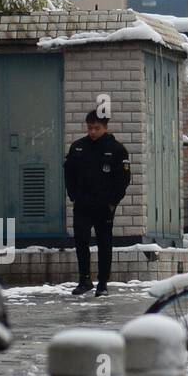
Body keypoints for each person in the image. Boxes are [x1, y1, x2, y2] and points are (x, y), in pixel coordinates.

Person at [64, 110, 131, 296]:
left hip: (104, 206)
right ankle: (84, 279)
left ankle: (102, 283)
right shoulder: (78, 147)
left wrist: (113, 202)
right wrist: (73, 195)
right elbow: (68, 172)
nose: (92, 132)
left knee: (104, 243)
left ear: (105, 127)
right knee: (81, 240)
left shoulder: (116, 149)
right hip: (83, 204)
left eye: (97, 128)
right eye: (90, 128)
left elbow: (123, 178)